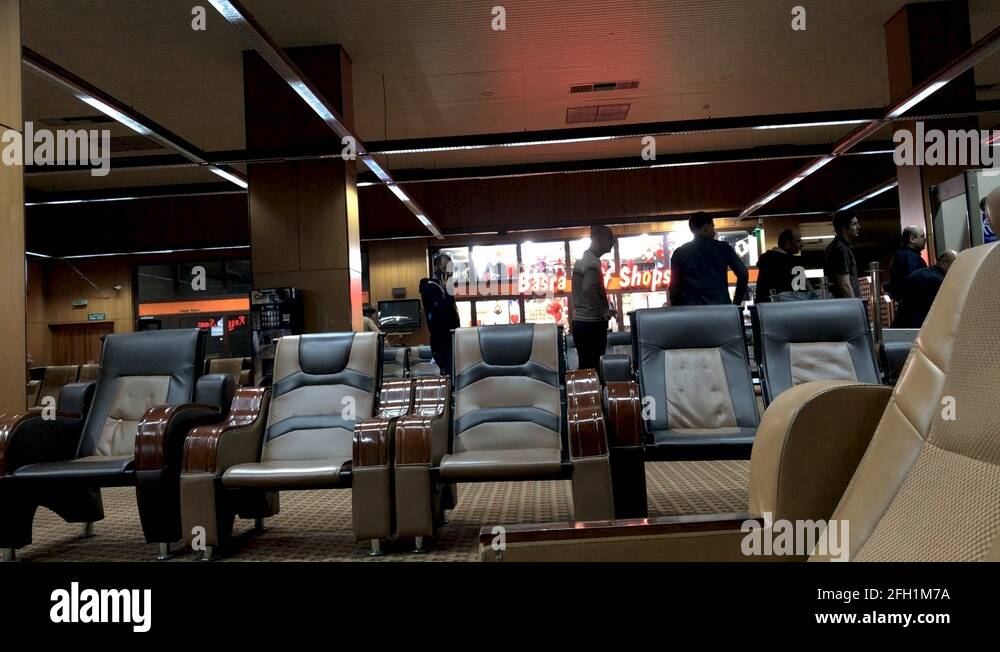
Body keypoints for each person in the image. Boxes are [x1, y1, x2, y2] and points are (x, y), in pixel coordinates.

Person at [668, 212, 748, 306]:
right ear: (706, 227)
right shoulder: (723, 248)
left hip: (692, 312)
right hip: (721, 309)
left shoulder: (679, 252)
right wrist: (736, 304)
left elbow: (674, 288)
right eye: (713, 227)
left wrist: (679, 309)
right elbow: (743, 273)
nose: (714, 232)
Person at [570, 225, 615, 371]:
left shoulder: (582, 260)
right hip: (591, 324)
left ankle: (585, 394)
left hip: (580, 322)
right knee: (594, 369)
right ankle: (595, 394)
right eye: (610, 238)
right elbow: (589, 288)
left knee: (585, 369)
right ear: (599, 240)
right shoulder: (593, 262)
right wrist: (603, 311)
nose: (612, 242)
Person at [892, 250, 958, 328]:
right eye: (955, 264)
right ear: (943, 263)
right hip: (920, 330)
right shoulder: (939, 282)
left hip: (902, 327)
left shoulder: (918, 273)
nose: (956, 269)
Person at [419, 253, 461, 375]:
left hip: (450, 341)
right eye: (446, 269)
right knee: (450, 376)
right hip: (442, 343)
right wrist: (448, 290)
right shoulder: (430, 288)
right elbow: (442, 309)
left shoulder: (441, 287)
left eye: (451, 271)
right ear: (437, 269)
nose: (449, 274)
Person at [754, 228, 803, 302]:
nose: (802, 244)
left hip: (768, 307)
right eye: (798, 241)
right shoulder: (784, 262)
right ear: (787, 243)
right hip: (782, 306)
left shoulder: (768, 259)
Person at [823, 211, 862, 298]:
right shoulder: (841, 249)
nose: (858, 227)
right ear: (844, 228)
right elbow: (844, 285)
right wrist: (854, 306)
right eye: (854, 224)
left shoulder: (834, 246)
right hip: (845, 305)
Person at [888, 226, 927, 302]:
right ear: (912, 239)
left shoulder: (902, 255)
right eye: (922, 236)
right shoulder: (910, 258)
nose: (925, 239)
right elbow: (916, 283)